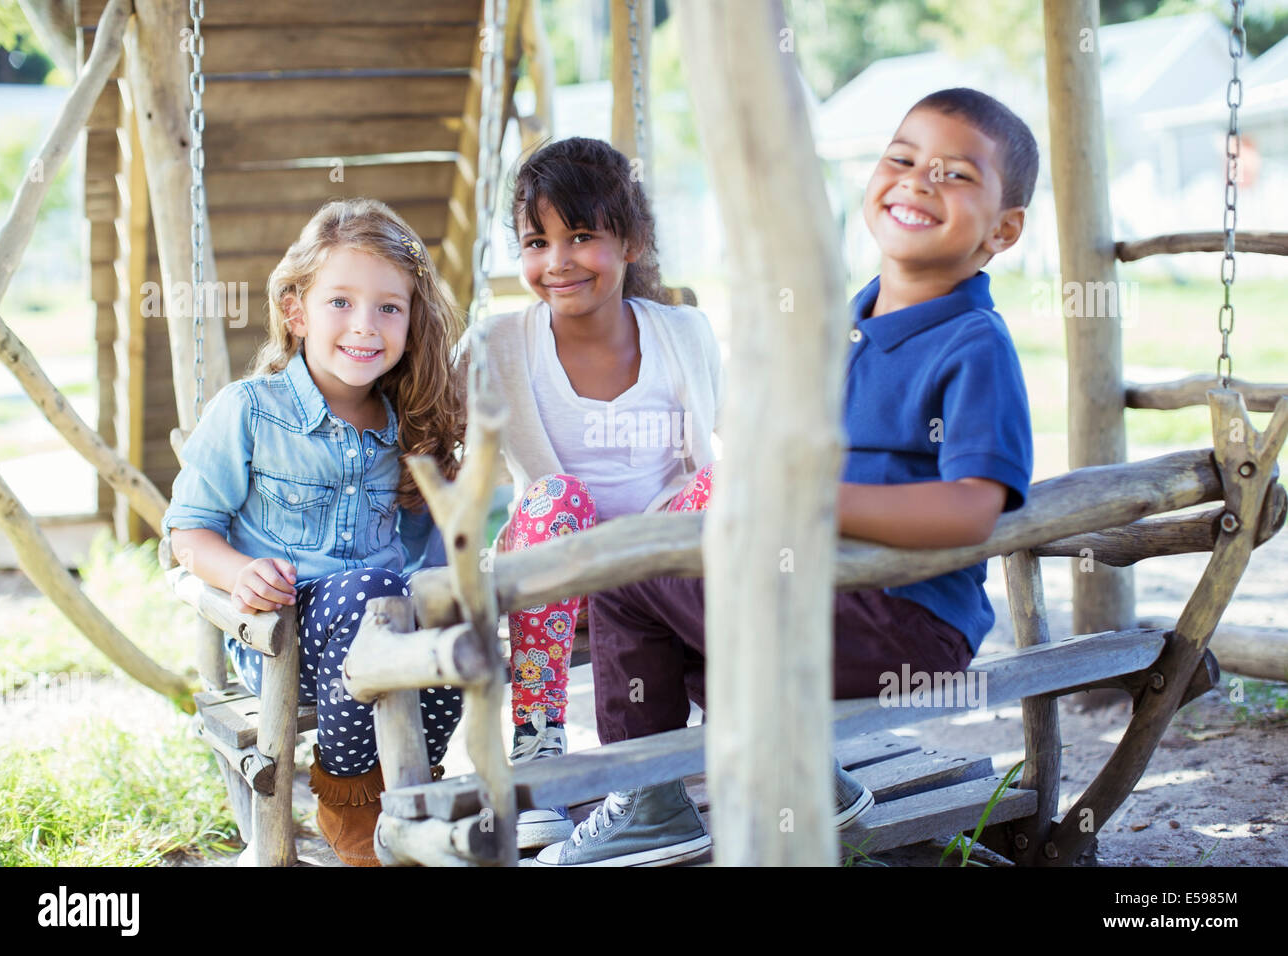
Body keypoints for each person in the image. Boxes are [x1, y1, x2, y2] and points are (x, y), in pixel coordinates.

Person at [535, 87, 1039, 866]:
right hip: (830, 598)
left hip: (904, 623)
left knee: (630, 570)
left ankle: (648, 801)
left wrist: (810, 501)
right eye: (902, 159)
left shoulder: (973, 346)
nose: (916, 182)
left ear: (1004, 230)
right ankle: (805, 778)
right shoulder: (854, 324)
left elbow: (973, 511)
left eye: (955, 175)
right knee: (677, 621)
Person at [161, 198, 466, 866]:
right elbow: (187, 532)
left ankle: (412, 789)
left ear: (413, 322)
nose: (365, 326)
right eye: (341, 303)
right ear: (296, 311)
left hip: (386, 626)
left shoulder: (407, 423)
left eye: (390, 307)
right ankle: (351, 803)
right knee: (369, 593)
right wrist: (239, 572)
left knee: (447, 619)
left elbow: (430, 551)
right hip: (285, 642)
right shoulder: (249, 411)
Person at [463, 137, 722, 850]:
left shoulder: (683, 334)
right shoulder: (498, 345)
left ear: (632, 240)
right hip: (556, 559)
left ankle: (742, 715)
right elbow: (451, 462)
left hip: (659, 560)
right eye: (536, 241)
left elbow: (728, 447)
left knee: (726, 484)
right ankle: (540, 742)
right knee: (556, 495)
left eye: (581, 236)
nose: (557, 262)